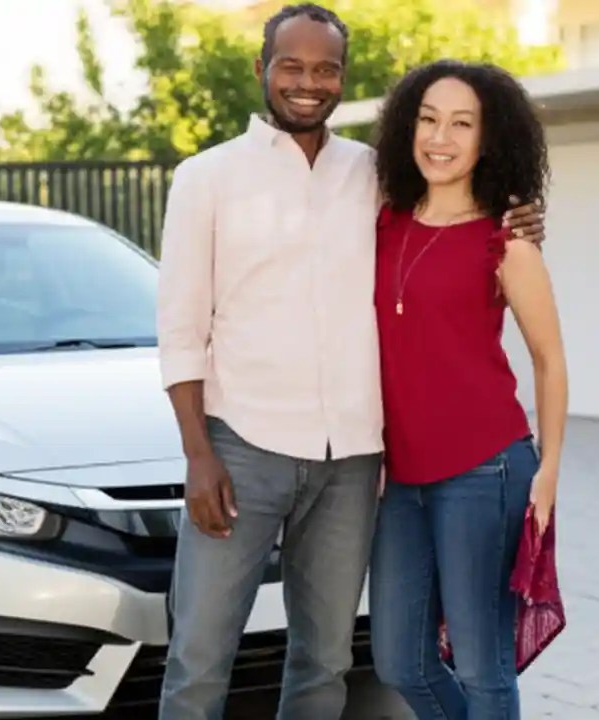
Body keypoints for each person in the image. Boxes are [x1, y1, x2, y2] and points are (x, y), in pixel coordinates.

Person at [154, 5, 546, 719]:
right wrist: (197, 454)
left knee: (325, 662)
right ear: (262, 70)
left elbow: (455, 208)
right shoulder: (206, 178)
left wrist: (521, 215)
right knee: (200, 656)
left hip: (355, 462)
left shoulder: (372, 174)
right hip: (242, 448)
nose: (309, 82)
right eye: (292, 66)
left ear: (343, 78)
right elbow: (180, 331)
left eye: (326, 68)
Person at [366, 58, 568, 720]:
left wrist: (549, 474)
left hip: (488, 470)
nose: (440, 138)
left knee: (484, 669)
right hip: (400, 480)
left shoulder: (507, 241)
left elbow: (549, 359)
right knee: (400, 660)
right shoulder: (380, 222)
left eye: (461, 123)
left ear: (490, 138)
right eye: (427, 119)